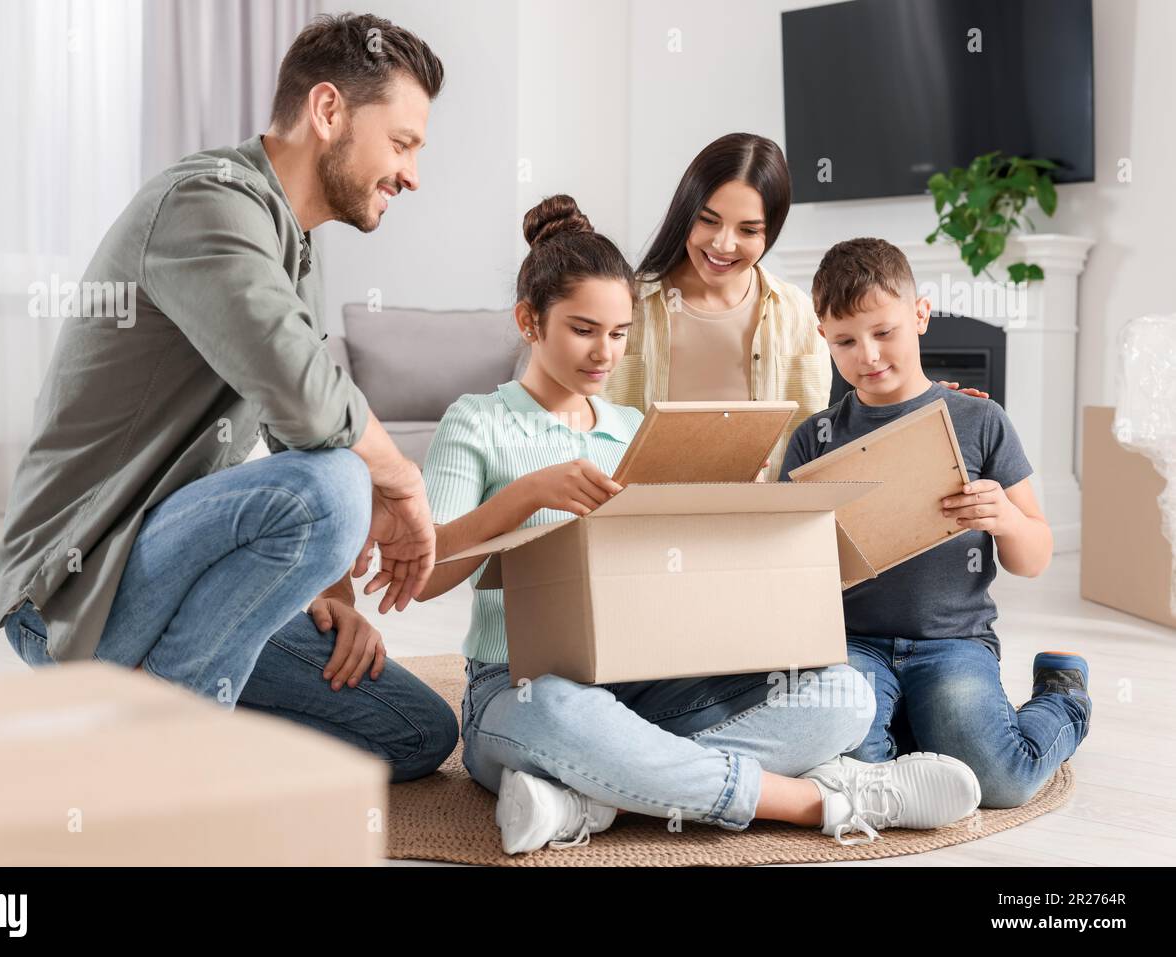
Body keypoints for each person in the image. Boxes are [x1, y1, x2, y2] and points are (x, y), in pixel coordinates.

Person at [418, 195, 983, 855]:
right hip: (517, 685)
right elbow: (426, 575)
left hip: (644, 683)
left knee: (843, 693)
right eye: (582, 329)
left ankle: (591, 793)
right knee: (561, 709)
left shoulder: (632, 430)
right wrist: (525, 495)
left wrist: (725, 511)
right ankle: (820, 800)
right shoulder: (477, 421)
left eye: (620, 332)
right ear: (528, 320)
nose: (605, 353)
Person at [0, 14, 458, 782]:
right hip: (78, 594)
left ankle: (166, 712)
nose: (412, 174)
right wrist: (401, 479)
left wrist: (332, 587)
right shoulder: (206, 204)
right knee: (340, 483)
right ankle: (154, 756)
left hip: (174, 574)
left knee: (415, 733)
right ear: (329, 110)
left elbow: (286, 429)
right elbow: (311, 405)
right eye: (403, 143)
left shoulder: (287, 243)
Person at [780, 237, 1091, 808]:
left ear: (920, 315)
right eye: (845, 341)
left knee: (1004, 782)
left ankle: (1063, 698)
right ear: (823, 338)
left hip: (955, 642)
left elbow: (1036, 555)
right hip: (852, 643)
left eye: (884, 332)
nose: (868, 355)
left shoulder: (980, 420)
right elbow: (784, 562)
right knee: (853, 770)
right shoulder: (814, 439)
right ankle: (911, 727)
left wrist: (1005, 519)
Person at [606, 133, 985, 480]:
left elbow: (829, 432)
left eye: (748, 230)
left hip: (766, 531)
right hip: (647, 526)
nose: (723, 244)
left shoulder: (798, 314)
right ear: (685, 213)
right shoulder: (626, 308)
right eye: (708, 220)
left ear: (770, 231)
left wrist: (925, 404)